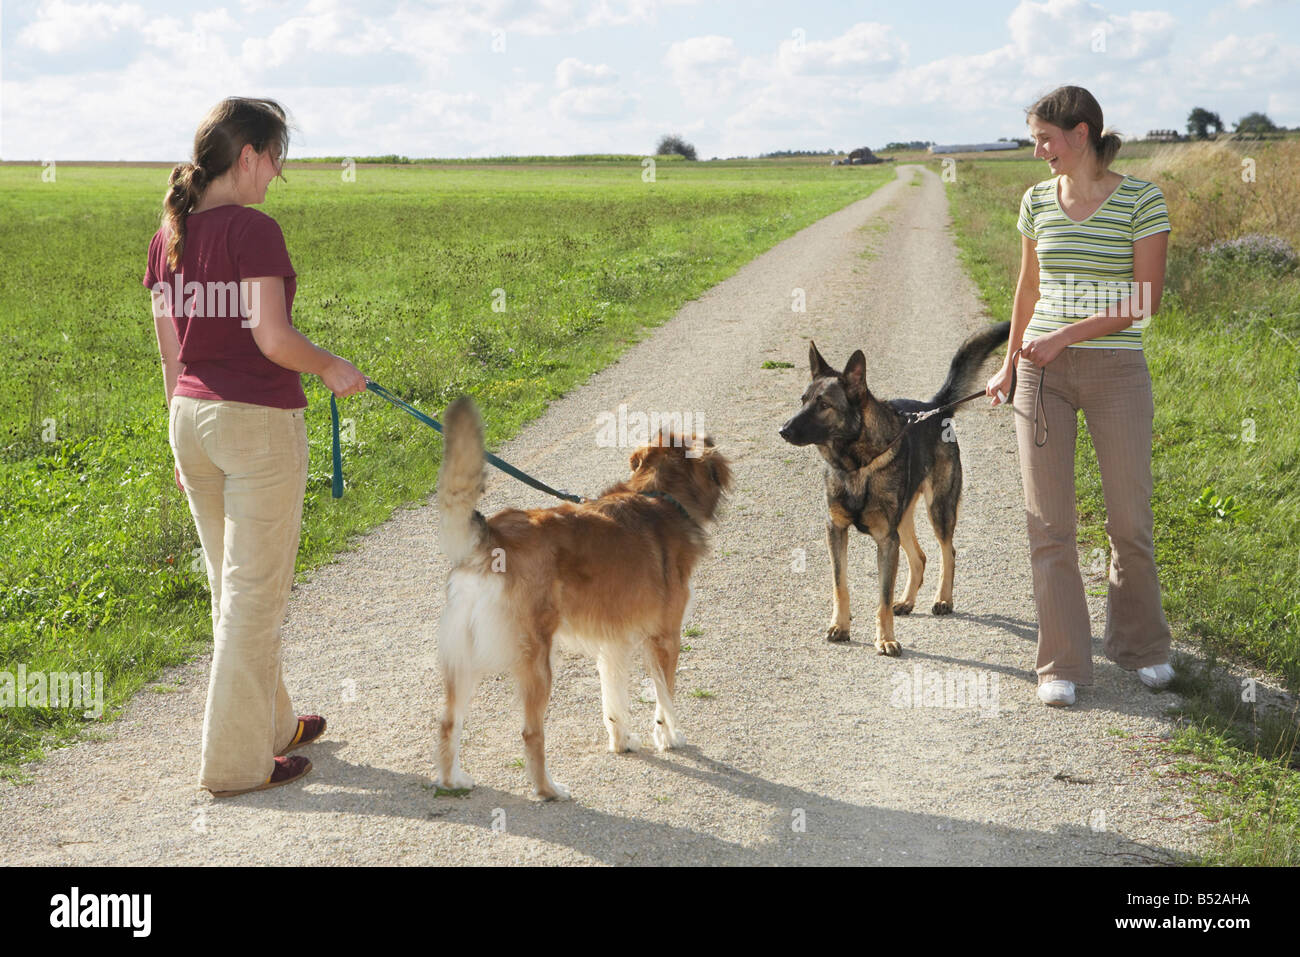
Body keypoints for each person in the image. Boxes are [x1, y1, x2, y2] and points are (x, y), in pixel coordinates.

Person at [144, 97, 366, 794]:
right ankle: (236, 764)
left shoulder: (167, 234)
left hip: (191, 419)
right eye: (275, 161)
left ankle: (273, 724)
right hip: (256, 426)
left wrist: (183, 440)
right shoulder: (254, 231)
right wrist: (331, 366)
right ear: (249, 157)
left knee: (231, 589)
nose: (275, 176)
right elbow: (272, 339)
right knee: (253, 598)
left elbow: (169, 350)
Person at [985, 85, 1175, 708]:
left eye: (1045, 138)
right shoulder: (1036, 200)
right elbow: (1027, 289)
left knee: (1129, 519)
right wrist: (1010, 362)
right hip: (1042, 375)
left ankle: (1141, 647)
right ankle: (1061, 662)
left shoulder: (1142, 199)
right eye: (1035, 138)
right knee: (1049, 524)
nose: (1038, 151)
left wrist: (1068, 334)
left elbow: (1144, 299)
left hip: (1117, 372)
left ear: (1082, 133)